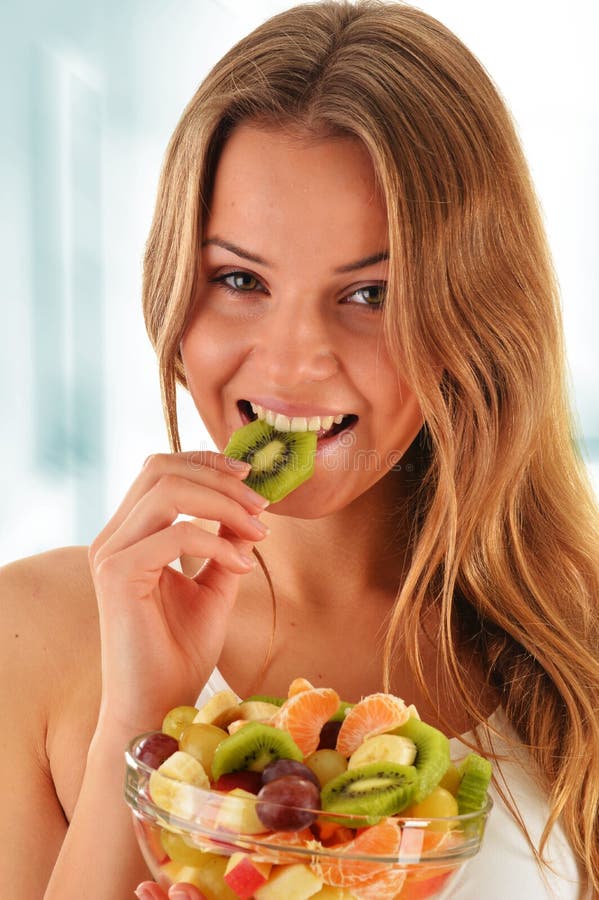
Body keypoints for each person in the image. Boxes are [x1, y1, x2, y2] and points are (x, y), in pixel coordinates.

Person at [1, 1, 598, 898]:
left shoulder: (578, 643)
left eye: (369, 295)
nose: (290, 363)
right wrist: (141, 714)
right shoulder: (30, 637)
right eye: (239, 279)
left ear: (477, 313)